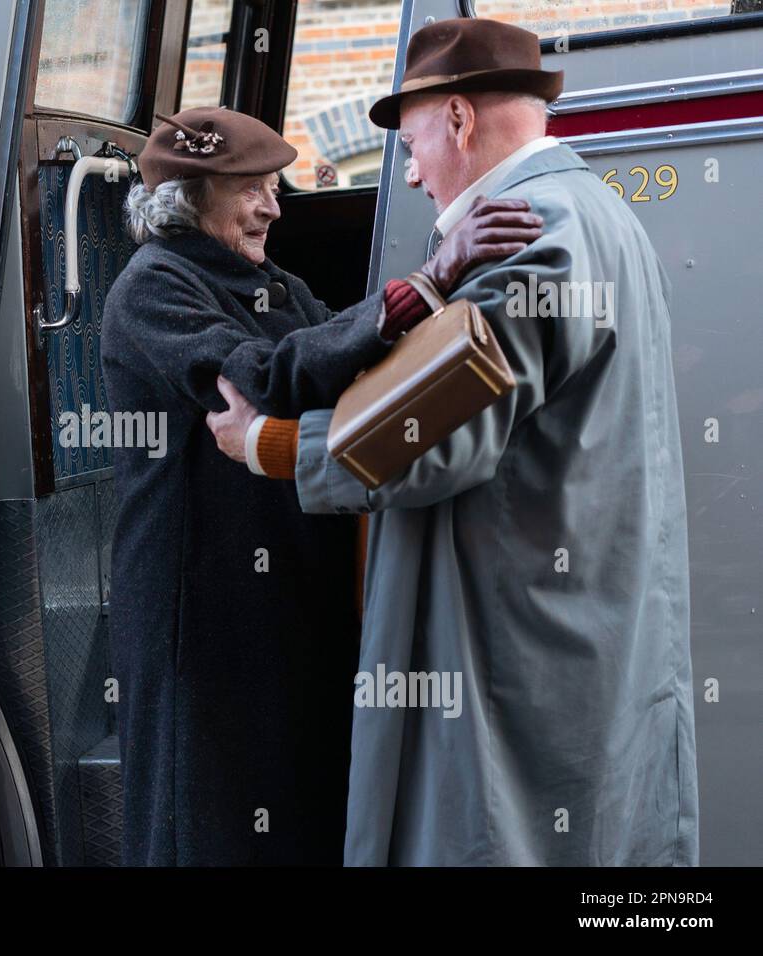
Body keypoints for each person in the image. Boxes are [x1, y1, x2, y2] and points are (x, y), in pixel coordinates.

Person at [208, 19, 698, 865]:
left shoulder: (531, 231)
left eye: (410, 142)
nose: (410, 169)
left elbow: (437, 437)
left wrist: (271, 443)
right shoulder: (599, 213)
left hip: (514, 662)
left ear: (460, 121)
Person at [101, 106, 541, 865]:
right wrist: (426, 282)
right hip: (204, 620)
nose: (275, 205)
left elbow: (350, 363)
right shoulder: (152, 289)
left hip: (284, 599)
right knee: (211, 823)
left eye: (274, 186)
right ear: (189, 198)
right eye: (252, 189)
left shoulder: (263, 279)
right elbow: (267, 379)